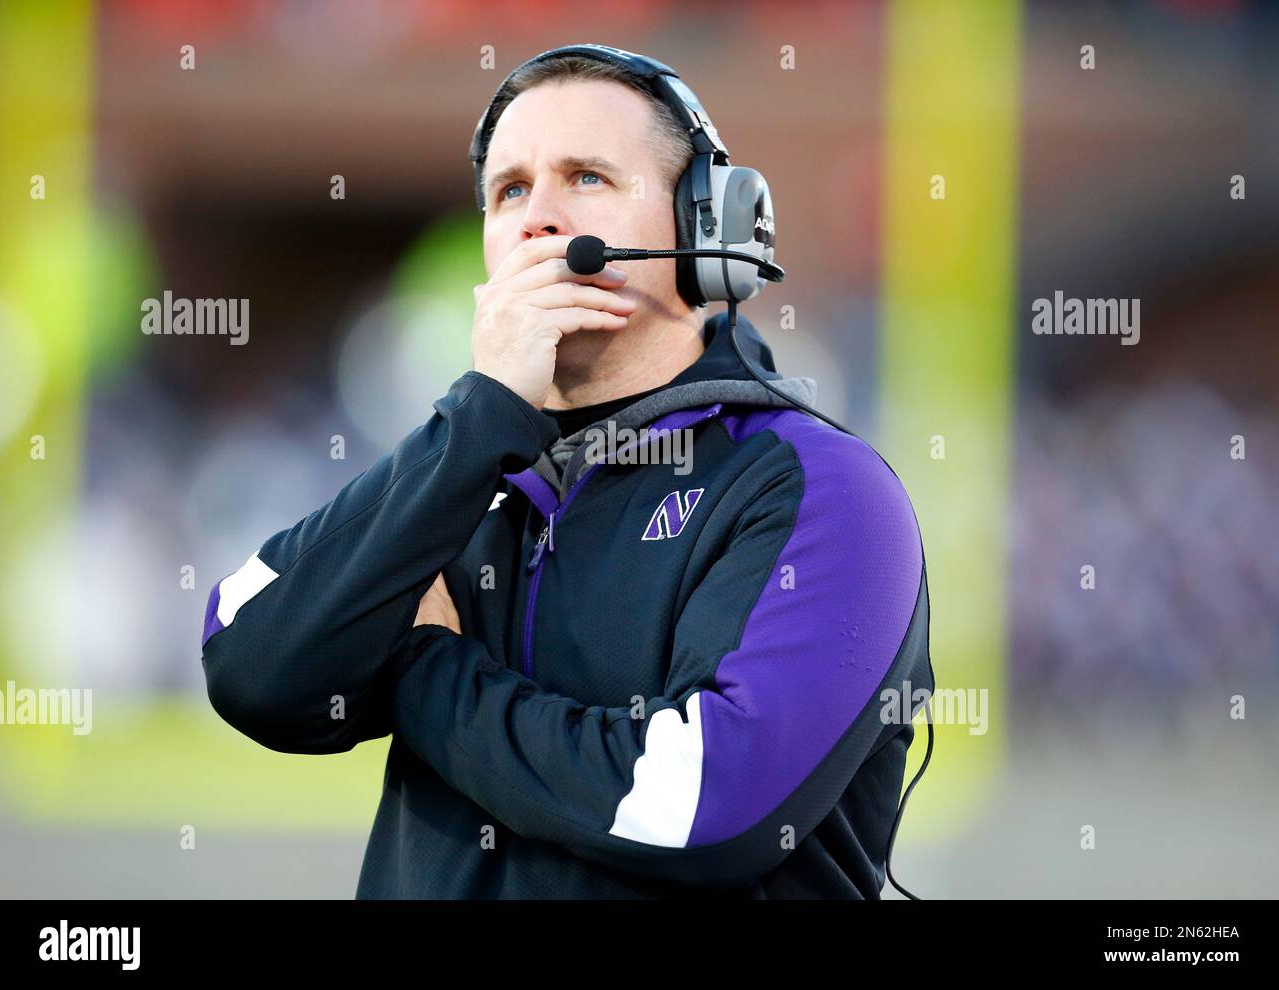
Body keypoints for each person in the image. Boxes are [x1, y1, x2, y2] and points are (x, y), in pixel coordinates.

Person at [200, 44, 933, 899]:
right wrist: (476, 424)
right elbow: (253, 669)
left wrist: (429, 667)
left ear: (708, 228)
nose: (537, 218)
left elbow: (698, 806)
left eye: (586, 177)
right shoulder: (463, 472)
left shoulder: (820, 487)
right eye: (509, 190)